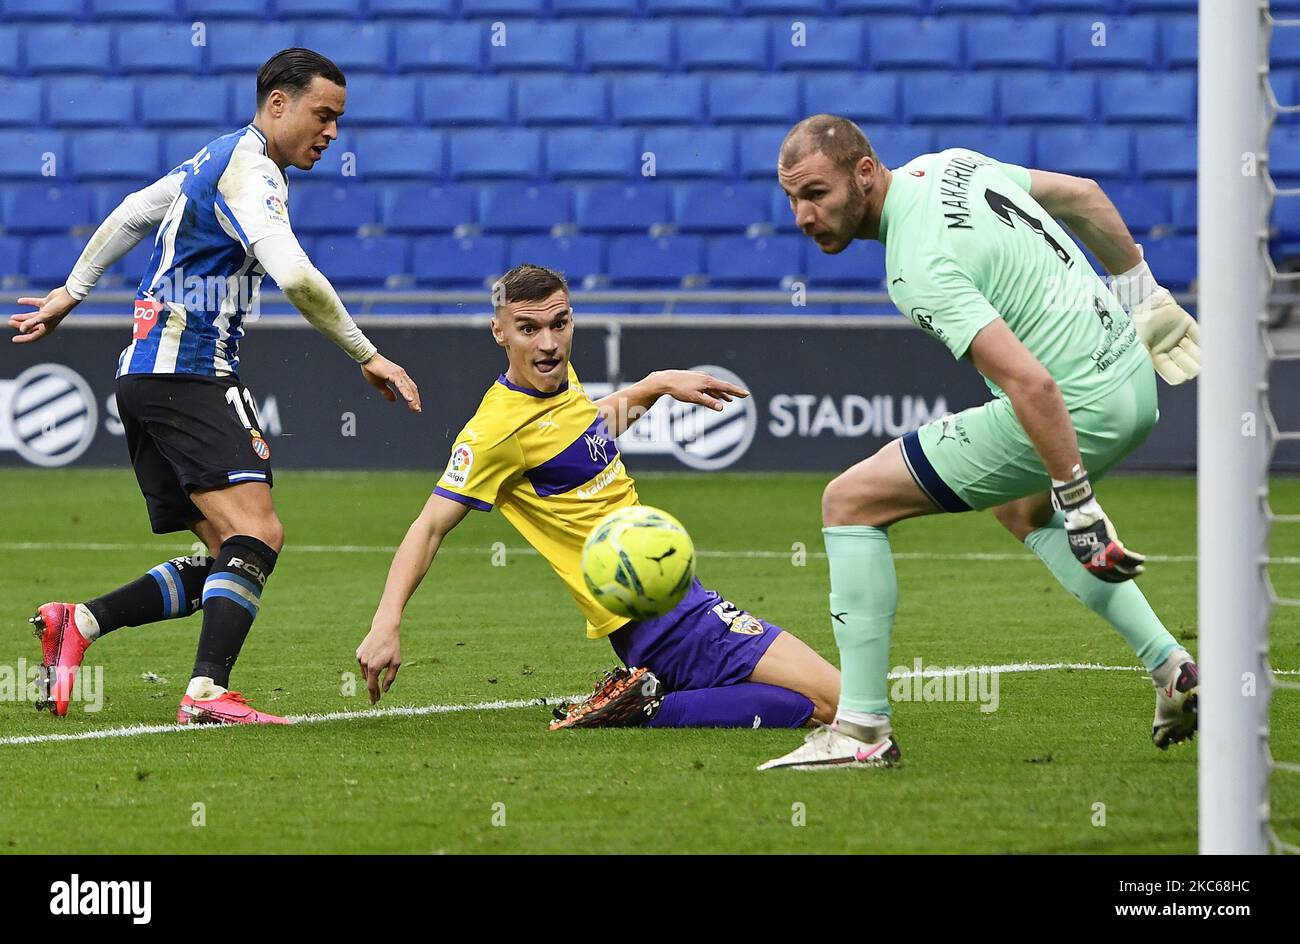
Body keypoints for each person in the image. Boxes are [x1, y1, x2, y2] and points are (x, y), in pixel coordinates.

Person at [761, 114, 1201, 771]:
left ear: (864, 172)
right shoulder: (950, 164)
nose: (802, 215)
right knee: (1021, 509)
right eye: (792, 199)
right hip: (1134, 378)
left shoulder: (913, 264)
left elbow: (1031, 385)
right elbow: (1084, 194)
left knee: (849, 502)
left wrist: (1080, 506)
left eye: (815, 194)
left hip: (1074, 402)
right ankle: (1171, 668)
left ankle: (860, 731)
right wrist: (1147, 293)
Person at [9, 48, 421, 724]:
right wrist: (366, 354)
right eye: (324, 115)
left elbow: (135, 211)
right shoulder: (253, 172)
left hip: (143, 376)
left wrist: (72, 291)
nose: (333, 133)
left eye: (340, 120)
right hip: (188, 373)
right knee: (258, 534)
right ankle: (204, 693)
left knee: (231, 555)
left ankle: (77, 623)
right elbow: (296, 277)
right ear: (278, 103)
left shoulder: (213, 157)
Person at [355, 264, 840, 730]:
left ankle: (647, 699)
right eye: (528, 329)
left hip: (678, 598)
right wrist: (386, 622)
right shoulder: (494, 432)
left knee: (814, 704)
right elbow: (430, 526)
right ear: (499, 332)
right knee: (842, 704)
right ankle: (645, 709)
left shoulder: (560, 382)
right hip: (659, 622)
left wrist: (655, 385)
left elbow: (587, 431)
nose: (548, 343)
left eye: (559, 323)